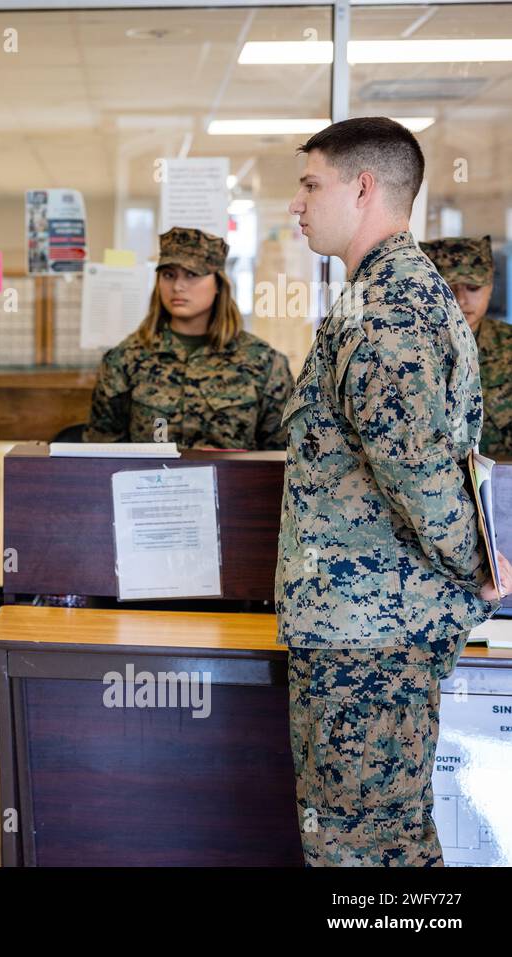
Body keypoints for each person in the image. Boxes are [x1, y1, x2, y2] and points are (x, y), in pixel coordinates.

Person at [278, 116, 511, 866]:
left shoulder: (386, 309)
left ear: (364, 187)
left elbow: (417, 466)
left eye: (311, 185)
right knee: (381, 840)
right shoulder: (383, 294)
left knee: (363, 848)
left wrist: (478, 565)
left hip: (369, 636)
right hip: (368, 626)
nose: (298, 203)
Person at [86, 227, 294, 450]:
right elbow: (102, 452)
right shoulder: (125, 359)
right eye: (169, 275)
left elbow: (281, 454)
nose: (177, 287)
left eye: (191, 275)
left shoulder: (263, 362)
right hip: (149, 474)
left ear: (218, 284)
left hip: (231, 475)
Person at [419, 236, 512, 458]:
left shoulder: (508, 346)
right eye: (450, 288)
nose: (461, 300)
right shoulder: (410, 347)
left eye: (473, 288)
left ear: (490, 287)